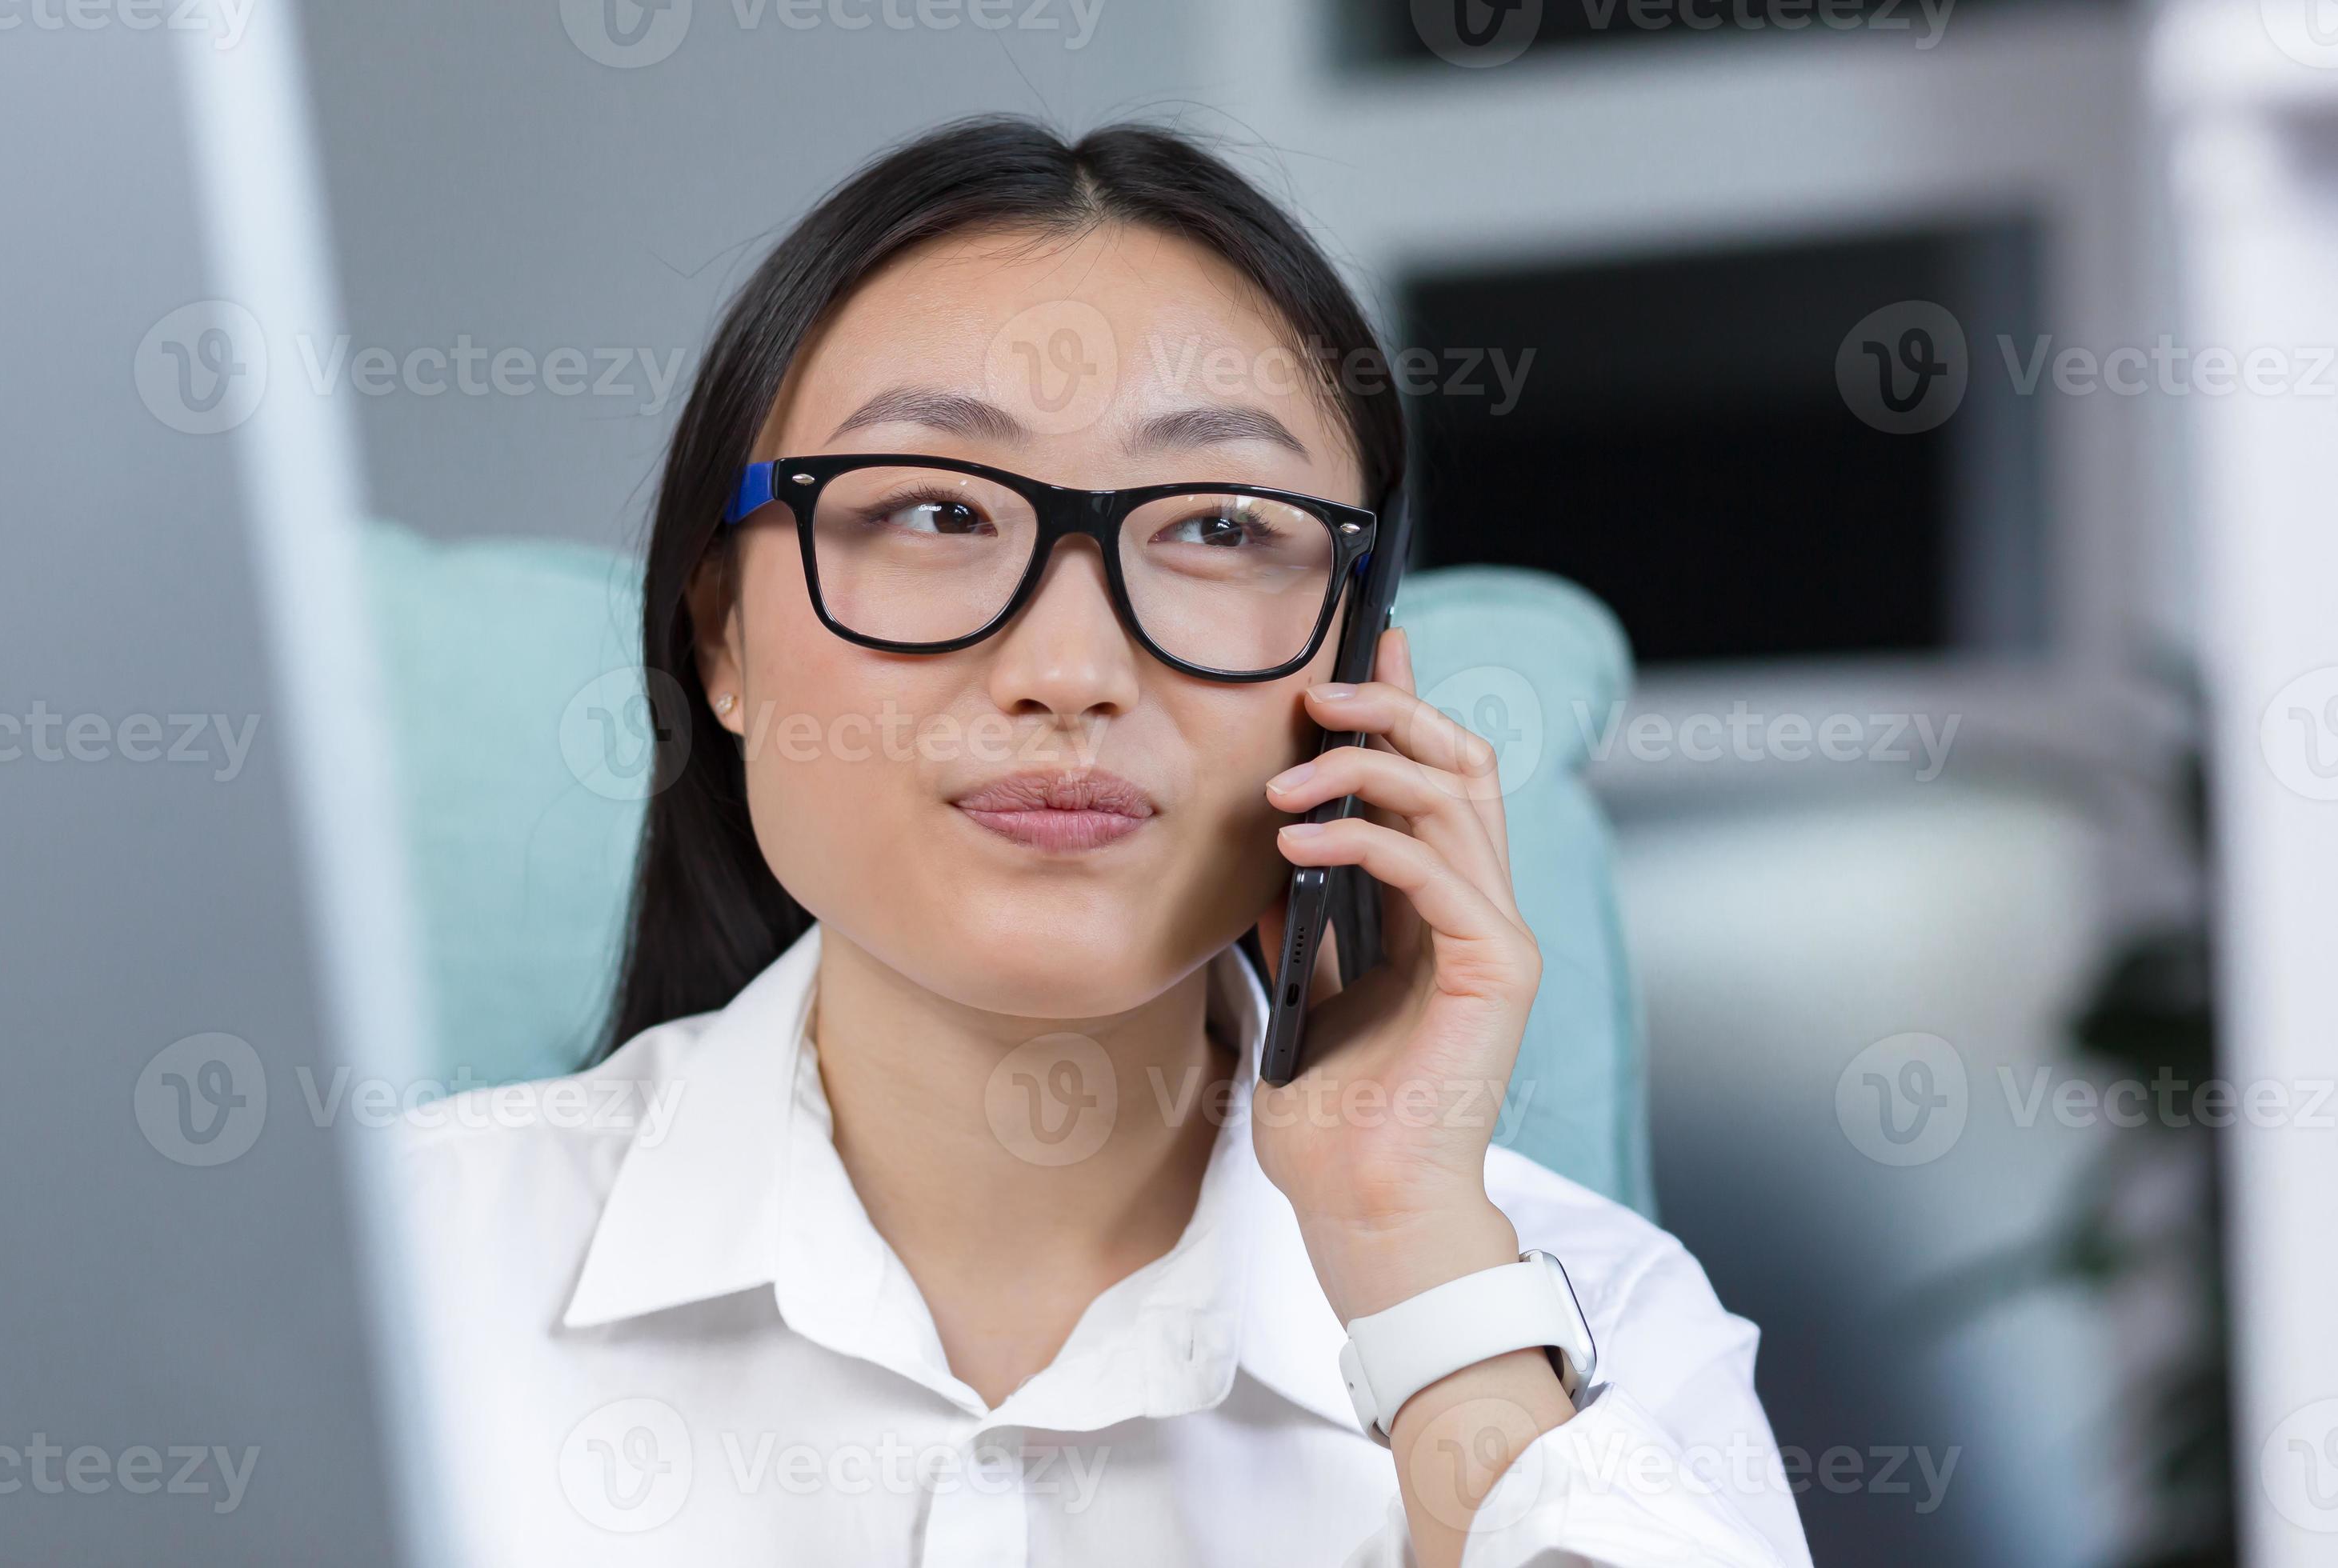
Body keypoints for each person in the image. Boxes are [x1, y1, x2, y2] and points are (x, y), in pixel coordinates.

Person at [401, 114, 1813, 1567]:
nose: (1069, 667)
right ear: (722, 644)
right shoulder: (400, 1267)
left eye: (1218, 528)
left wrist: (1414, 1262)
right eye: (937, 509)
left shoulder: (1603, 1335)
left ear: (1360, 666)